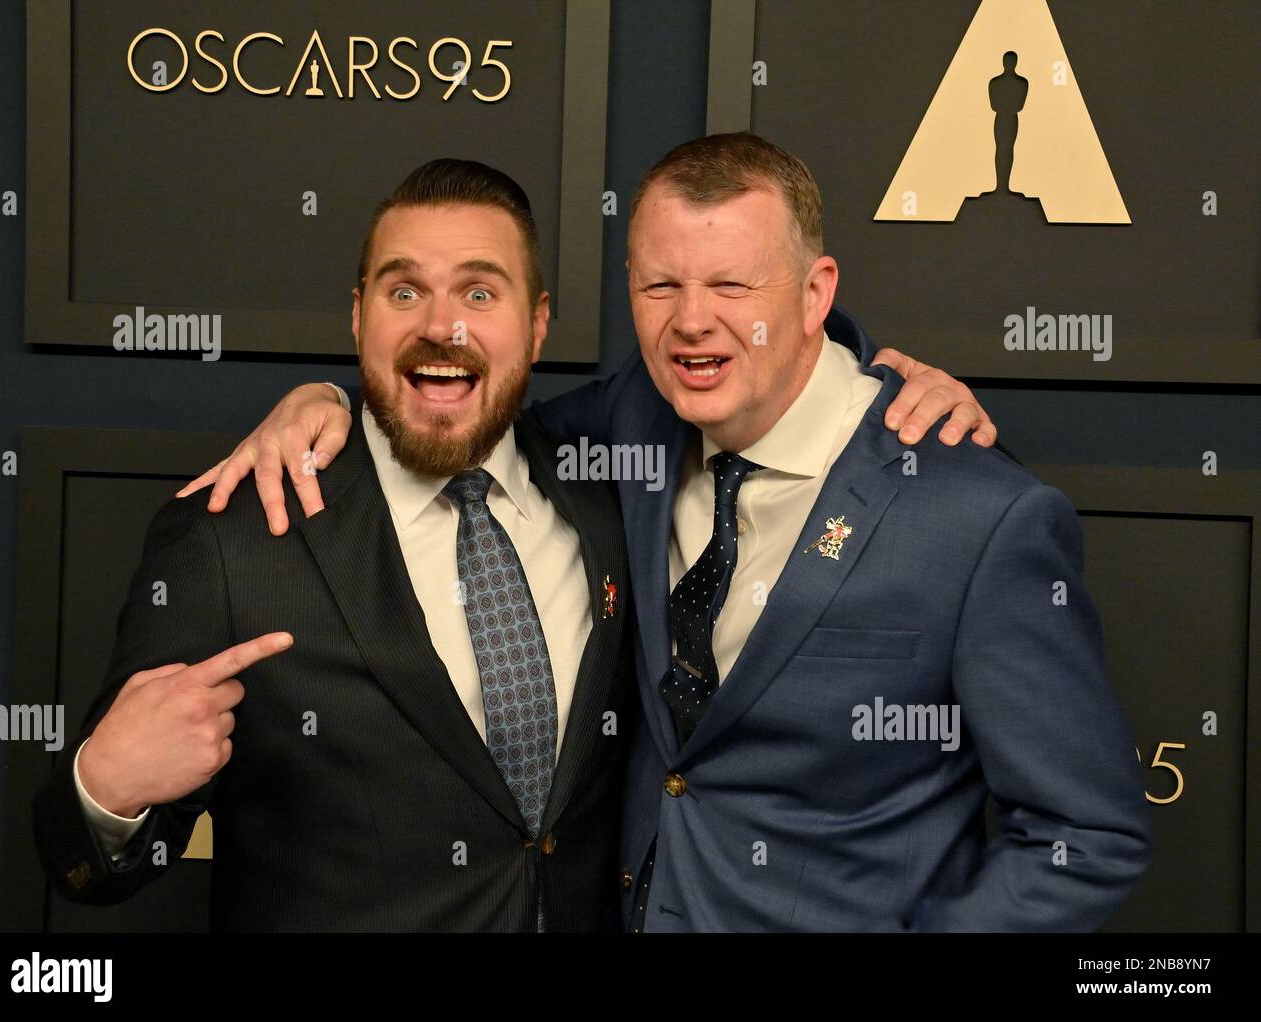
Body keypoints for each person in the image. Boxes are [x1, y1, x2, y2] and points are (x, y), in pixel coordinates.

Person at [204, 133, 1153, 932]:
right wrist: (324, 397)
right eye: (661, 287)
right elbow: (463, 410)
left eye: (735, 285)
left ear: (817, 293)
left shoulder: (977, 515)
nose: (693, 323)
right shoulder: (633, 427)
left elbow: (1087, 836)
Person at [32, 159, 638, 931]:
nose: (441, 327)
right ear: (358, 316)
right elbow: (78, 866)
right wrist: (107, 790)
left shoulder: (612, 500)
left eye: (480, 293)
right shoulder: (232, 540)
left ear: (538, 321)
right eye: (404, 291)